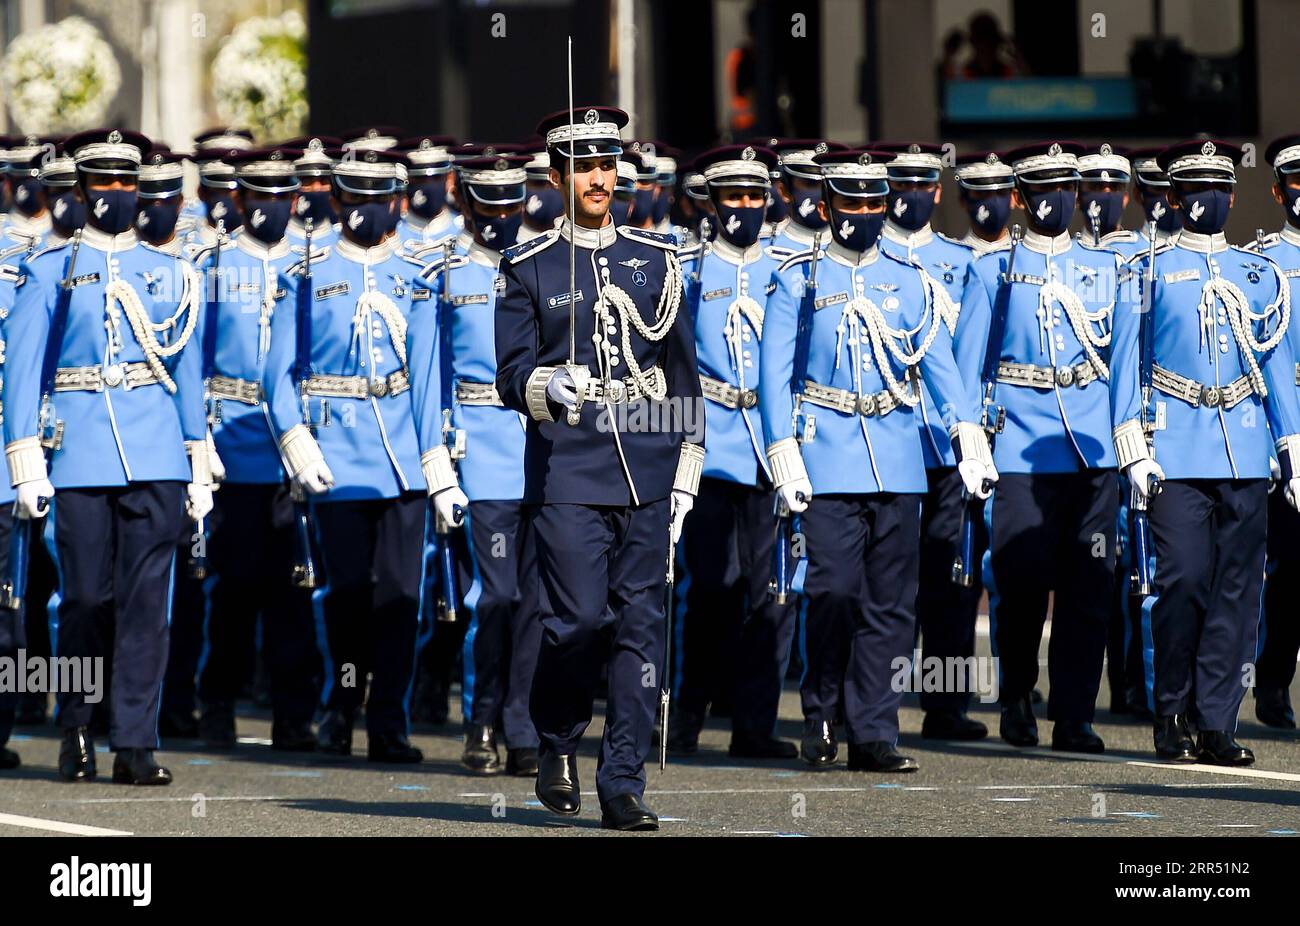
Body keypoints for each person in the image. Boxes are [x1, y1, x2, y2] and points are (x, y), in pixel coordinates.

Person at [494, 105, 703, 830]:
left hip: (645, 464)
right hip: (570, 470)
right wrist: (547, 387)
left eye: (608, 165)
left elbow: (682, 378)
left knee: (641, 631)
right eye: (585, 166)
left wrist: (685, 469)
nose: (600, 178)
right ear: (556, 177)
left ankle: (623, 782)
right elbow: (509, 373)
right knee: (577, 621)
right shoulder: (528, 265)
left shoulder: (657, 260)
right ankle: (556, 738)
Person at [760, 148, 997, 772]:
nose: (862, 214)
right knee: (834, 590)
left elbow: (940, 367)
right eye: (851, 203)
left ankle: (874, 730)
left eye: (873, 203)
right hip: (827, 455)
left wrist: (967, 440)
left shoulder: (911, 279)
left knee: (890, 603)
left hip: (897, 457)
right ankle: (822, 708)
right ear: (828, 204)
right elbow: (773, 375)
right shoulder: (799, 277)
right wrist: (783, 453)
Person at [4, 128, 210, 785]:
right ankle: (78, 724)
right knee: (85, 599)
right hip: (80, 452)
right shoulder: (49, 270)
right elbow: (24, 372)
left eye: (128, 183)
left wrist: (198, 463)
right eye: (105, 184)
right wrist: (25, 461)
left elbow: (185, 374)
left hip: (156, 454)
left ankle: (135, 740)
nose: (117, 195)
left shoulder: (172, 273)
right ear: (85, 189)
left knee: (149, 603)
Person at [1112, 140, 1300, 765]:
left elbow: (1273, 366)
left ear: (1233, 193)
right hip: (1176, 449)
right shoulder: (1148, 271)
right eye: (1194, 185)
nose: (1208, 198)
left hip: (1244, 451)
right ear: (1174, 194)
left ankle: (1217, 721)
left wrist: (1289, 441)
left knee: (1238, 591)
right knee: (1185, 579)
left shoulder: (1259, 273)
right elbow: (1126, 365)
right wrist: (1132, 444)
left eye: (1219, 186)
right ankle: (1171, 707)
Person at [264, 147, 429, 764]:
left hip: (404, 454)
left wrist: (437, 454)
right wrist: (295, 440)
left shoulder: (417, 273)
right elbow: (277, 372)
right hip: (336, 449)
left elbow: (430, 372)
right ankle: (342, 701)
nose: (365, 207)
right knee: (348, 592)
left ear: (395, 200)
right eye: (353, 196)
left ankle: (389, 718)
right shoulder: (305, 273)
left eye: (377, 196)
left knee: (400, 596)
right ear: (337, 199)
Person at [955, 141, 1120, 754]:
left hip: (1093, 446)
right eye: (1040, 188)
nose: (1054, 198)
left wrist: (1130, 431)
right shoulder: (992, 270)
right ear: (1019, 198)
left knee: (1090, 581)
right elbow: (966, 364)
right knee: (1020, 580)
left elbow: (1124, 361)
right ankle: (1019, 692)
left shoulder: (1106, 270)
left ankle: (1075, 713)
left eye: (1064, 186)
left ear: (1077, 194)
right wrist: (970, 437)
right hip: (1019, 445)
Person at [409, 154, 541, 776]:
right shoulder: (442, 271)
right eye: (486, 209)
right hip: (480, 454)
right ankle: (481, 719)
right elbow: (428, 372)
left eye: (509, 209)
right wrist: (436, 463)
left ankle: (523, 726)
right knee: (496, 598)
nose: (498, 221)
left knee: (539, 602)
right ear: (465, 206)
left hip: (544, 453)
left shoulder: (547, 266)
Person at [669, 144, 798, 759]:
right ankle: (687, 713)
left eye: (754, 196)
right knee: (711, 589)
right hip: (711, 445)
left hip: (773, 448)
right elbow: (667, 367)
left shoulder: (788, 266)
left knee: (770, 591)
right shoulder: (687, 270)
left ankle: (755, 725)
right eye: (731, 198)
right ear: (711, 202)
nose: (743, 207)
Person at [191, 147, 320, 751]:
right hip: (236, 440)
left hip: (304, 448)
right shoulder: (213, 261)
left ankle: (296, 714)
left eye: (279, 196)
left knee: (295, 589)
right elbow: (195, 356)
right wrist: (198, 440)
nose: (269, 206)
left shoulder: (313, 257)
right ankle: (216, 701)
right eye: (257, 196)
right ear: (239, 199)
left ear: (293, 198)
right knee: (235, 586)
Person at [872, 141, 990, 740]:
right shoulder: (868, 258)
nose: (912, 193)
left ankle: (946, 706)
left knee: (949, 577)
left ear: (939, 192)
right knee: (889, 579)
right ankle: (874, 710)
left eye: (924, 183)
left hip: (942, 444)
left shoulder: (960, 261)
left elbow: (966, 358)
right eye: (902, 182)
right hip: (888, 437)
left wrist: (969, 431)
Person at [1246, 133, 1300, 729]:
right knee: (1290, 570)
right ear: (1278, 189)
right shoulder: (1260, 262)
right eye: (1297, 182)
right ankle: (1274, 680)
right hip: (1285, 438)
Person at [765, 140, 846, 261]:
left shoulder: (856, 253)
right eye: (810, 184)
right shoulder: (765, 251)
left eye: (826, 185)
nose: (821, 193)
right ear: (784, 191)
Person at [393, 135, 459, 254]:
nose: (429, 186)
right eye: (419, 179)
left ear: (449, 178)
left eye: (436, 178)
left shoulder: (464, 231)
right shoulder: (392, 234)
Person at [282, 137, 341, 253]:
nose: (316, 188)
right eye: (306, 181)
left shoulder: (344, 240)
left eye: (324, 181)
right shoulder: (276, 239)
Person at [953, 151, 1014, 255]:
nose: (994, 201)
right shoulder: (949, 259)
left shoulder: (1028, 258)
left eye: (1001, 192)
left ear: (1013, 199)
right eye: (982, 193)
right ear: (963, 201)